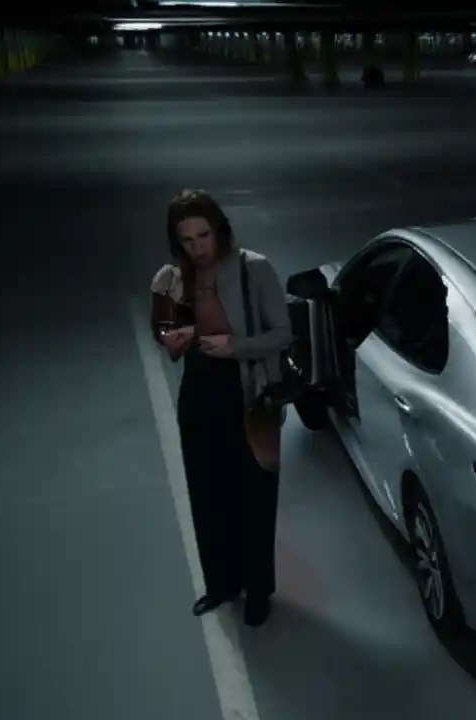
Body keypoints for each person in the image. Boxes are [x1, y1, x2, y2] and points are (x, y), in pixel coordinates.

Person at [149, 189, 292, 628]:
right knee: (208, 495)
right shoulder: (172, 278)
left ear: (219, 230)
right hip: (199, 393)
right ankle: (222, 584)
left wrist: (236, 347)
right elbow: (168, 338)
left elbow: (283, 333)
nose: (198, 247)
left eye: (204, 235)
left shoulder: (254, 269)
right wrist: (170, 334)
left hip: (250, 393)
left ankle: (258, 591)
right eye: (188, 240)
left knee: (253, 496)